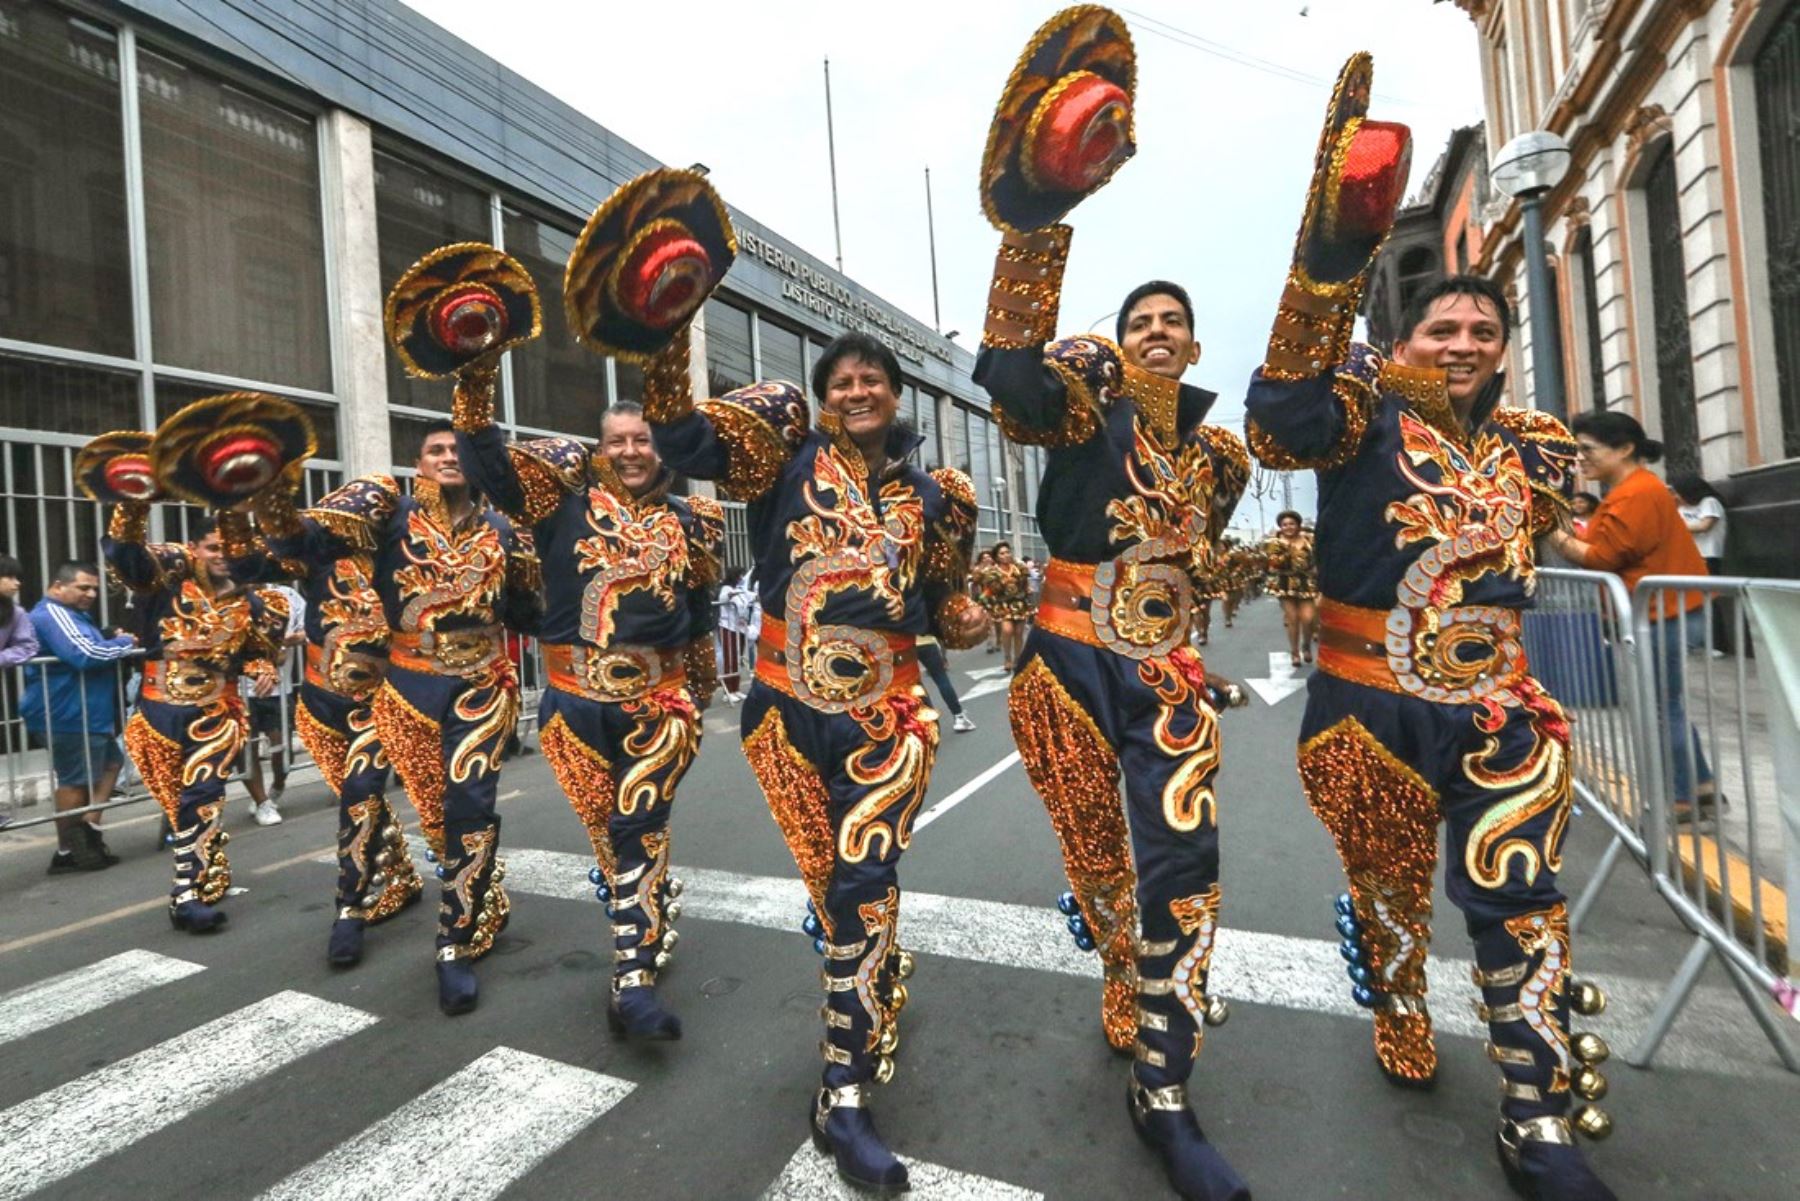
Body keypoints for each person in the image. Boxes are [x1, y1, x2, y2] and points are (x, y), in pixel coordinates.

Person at [1244, 54, 1616, 1200]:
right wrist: (1324, 259)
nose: (1462, 341)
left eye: (1481, 329)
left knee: (1518, 899)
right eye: (1441, 326)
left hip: (1501, 708)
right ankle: (1399, 994)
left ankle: (1538, 1115)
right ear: (1404, 342)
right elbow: (1277, 419)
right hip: (1364, 709)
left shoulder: (1538, 444)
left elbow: (1573, 528)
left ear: (1502, 348)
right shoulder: (1355, 408)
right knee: (1392, 887)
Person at [972, 15, 1253, 1195]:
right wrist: (1037, 229)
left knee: (1180, 848)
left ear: (1193, 342)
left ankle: (1168, 1077)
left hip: (1166, 670)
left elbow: (1199, 558)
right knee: (1096, 845)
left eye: (1167, 324)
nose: (1150, 334)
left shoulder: (1224, 452)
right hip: (1065, 656)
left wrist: (1202, 639)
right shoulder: (1083, 402)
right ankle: (1119, 958)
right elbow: (1010, 378)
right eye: (1136, 321)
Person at [652, 319, 985, 1193]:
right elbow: (684, 439)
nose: (857, 390)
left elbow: (946, 599)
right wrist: (662, 334)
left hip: (890, 718)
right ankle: (874, 977)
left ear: (896, 393)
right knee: (834, 888)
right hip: (786, 712)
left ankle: (841, 1092)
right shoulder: (781, 458)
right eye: (842, 379)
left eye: (873, 377)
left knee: (857, 888)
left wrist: (971, 616)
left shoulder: (937, 497)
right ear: (824, 392)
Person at [459, 382, 722, 1041]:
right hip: (572, 703)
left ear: (659, 449)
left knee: (639, 824)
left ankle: (631, 978)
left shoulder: (688, 521)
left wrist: (702, 679)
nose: (631, 451)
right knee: (612, 836)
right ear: (598, 449)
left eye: (642, 440)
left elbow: (698, 611)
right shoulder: (560, 505)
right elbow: (490, 466)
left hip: (659, 703)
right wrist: (475, 382)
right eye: (618, 441)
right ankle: (648, 913)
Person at [240, 457, 424, 970]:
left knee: (360, 799)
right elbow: (252, 568)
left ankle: (349, 906)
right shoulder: (320, 558)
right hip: (320, 703)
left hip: (381, 702)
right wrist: (251, 499)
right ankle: (401, 876)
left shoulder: (407, 560)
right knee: (358, 800)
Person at [105, 511, 286, 931]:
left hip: (215, 713)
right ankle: (207, 874)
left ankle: (185, 896)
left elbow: (260, 651)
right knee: (181, 807)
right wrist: (133, 505)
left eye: (231, 548)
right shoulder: (164, 583)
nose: (223, 556)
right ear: (195, 550)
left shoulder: (257, 601)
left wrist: (263, 666)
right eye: (213, 548)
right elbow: (128, 555)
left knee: (201, 800)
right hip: (158, 713)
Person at [1547, 414, 1716, 821]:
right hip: (1661, 611)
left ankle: (1680, 799)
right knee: (1665, 705)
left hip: (1661, 614)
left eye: (1587, 449)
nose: (1579, 459)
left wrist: (1550, 532)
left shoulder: (1636, 493)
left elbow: (1600, 556)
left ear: (1623, 449)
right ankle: (1700, 785)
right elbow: (1597, 541)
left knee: (1659, 708)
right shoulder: (1630, 490)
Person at [21, 561, 132, 872]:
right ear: (58, 586)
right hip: (66, 712)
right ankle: (67, 851)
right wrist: (123, 643)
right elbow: (85, 654)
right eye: (83, 587)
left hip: (84, 711)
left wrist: (108, 637)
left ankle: (86, 830)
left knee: (112, 763)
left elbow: (89, 645)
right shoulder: (53, 613)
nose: (91, 593)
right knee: (75, 781)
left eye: (94, 588)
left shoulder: (71, 614)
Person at [240, 579, 303, 826]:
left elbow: (311, 628)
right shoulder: (229, 597)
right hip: (240, 690)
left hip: (278, 689)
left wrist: (286, 641)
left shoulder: (286, 595)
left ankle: (276, 786)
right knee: (246, 751)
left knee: (283, 748)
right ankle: (262, 802)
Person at [1264, 510, 1319, 666]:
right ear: (1280, 527)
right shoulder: (1275, 543)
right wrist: (1287, 552)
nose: (1288, 527)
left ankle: (1306, 646)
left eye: (1292, 524)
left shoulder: (1310, 540)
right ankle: (1294, 652)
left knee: (1308, 618)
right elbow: (1273, 563)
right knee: (1292, 618)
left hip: (1306, 582)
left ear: (1298, 525)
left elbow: (1317, 558)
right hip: (1285, 582)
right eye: (1285, 524)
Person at [0, 554, 40, 765]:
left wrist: (2, 658)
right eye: (9, 576)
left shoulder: (16, 613)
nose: (17, 582)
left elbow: (28, 646)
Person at [986, 541, 1032, 672]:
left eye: (1007, 552)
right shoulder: (993, 571)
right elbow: (991, 589)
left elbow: (1025, 581)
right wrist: (1001, 584)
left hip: (1020, 603)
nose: (1005, 555)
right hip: (1004, 604)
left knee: (1018, 632)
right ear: (997, 556)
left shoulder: (1018, 567)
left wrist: (1027, 588)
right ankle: (1007, 657)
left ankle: (1018, 658)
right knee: (1007, 630)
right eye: (1002, 553)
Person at [916, 633, 975, 732]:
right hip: (927, 641)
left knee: (915, 685)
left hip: (904, 645)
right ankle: (959, 716)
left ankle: (927, 721)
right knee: (941, 678)